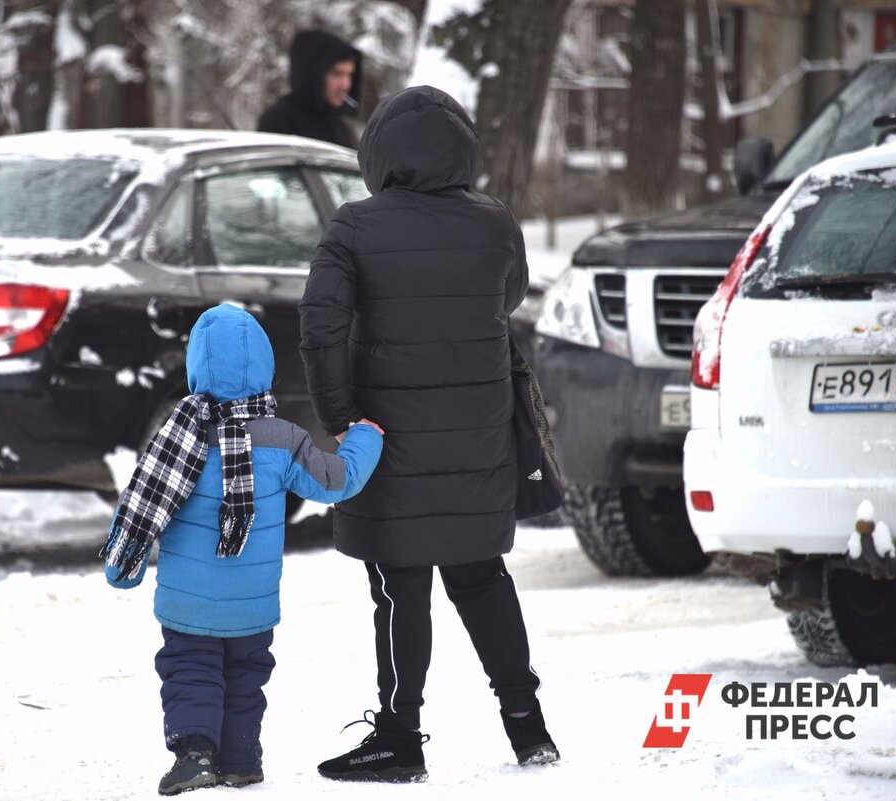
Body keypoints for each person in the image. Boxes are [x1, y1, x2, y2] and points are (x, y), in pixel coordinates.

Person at [298, 85, 560, 781]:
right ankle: (529, 728)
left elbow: (320, 324)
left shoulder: (354, 227)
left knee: (400, 583)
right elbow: (506, 300)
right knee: (480, 574)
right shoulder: (494, 221)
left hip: (391, 441)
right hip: (478, 438)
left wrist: (340, 415)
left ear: (378, 153)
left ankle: (399, 734)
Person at [102, 303, 384, 796]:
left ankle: (195, 756)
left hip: (186, 603)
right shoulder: (284, 439)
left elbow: (147, 503)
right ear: (266, 368)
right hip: (254, 603)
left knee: (190, 671)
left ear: (196, 368)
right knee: (246, 674)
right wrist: (365, 438)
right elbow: (339, 481)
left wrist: (124, 567)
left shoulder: (180, 434)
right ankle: (240, 759)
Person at [258, 29, 362, 149]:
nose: (345, 84)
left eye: (349, 75)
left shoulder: (341, 127)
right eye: (336, 74)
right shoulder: (280, 121)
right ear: (313, 73)